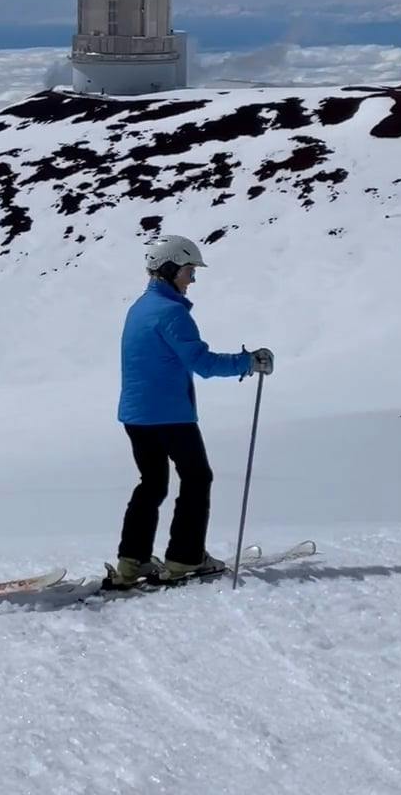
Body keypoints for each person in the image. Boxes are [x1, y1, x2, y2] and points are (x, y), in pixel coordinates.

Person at [107, 235, 273, 589]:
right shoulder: (171, 313)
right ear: (168, 270)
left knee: (152, 484)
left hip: (136, 415)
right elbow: (203, 363)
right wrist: (249, 361)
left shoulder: (139, 307)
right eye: (188, 271)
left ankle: (131, 561)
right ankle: (185, 558)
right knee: (197, 478)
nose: (192, 279)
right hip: (170, 415)